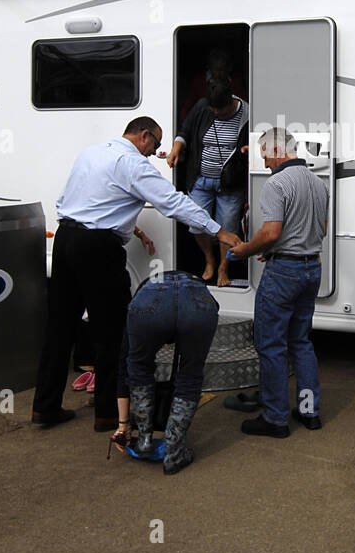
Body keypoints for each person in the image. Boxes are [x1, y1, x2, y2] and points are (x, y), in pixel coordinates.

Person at [32, 117, 241, 428]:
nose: (152, 153)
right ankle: (108, 413)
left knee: (60, 327)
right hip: (99, 249)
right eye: (155, 146)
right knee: (113, 333)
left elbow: (84, 202)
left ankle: (44, 407)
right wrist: (218, 231)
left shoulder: (90, 153)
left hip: (66, 239)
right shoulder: (132, 164)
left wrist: (134, 229)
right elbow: (173, 202)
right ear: (144, 136)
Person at [229, 127, 329, 437]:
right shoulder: (318, 183)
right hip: (311, 269)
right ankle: (309, 411)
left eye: (265, 157)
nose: (266, 164)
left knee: (271, 345)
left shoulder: (277, 184)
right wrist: (274, 249)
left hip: (284, 273)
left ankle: (275, 418)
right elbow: (321, 230)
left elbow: (272, 232)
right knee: (300, 342)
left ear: (275, 150)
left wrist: (246, 249)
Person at [115, 270, 220, 474]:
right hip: (198, 301)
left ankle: (144, 440)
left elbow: (125, 367)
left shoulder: (142, 296)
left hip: (151, 305)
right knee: (191, 373)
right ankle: (174, 451)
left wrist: (123, 424)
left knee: (138, 365)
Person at [165, 81, 248, 286]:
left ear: (232, 100)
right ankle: (209, 260)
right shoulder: (203, 107)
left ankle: (223, 267)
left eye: (223, 110)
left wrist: (247, 148)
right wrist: (176, 148)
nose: (218, 113)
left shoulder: (247, 112)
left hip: (230, 182)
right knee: (196, 223)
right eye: (214, 110)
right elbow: (185, 131)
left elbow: (254, 140)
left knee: (227, 228)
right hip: (200, 178)